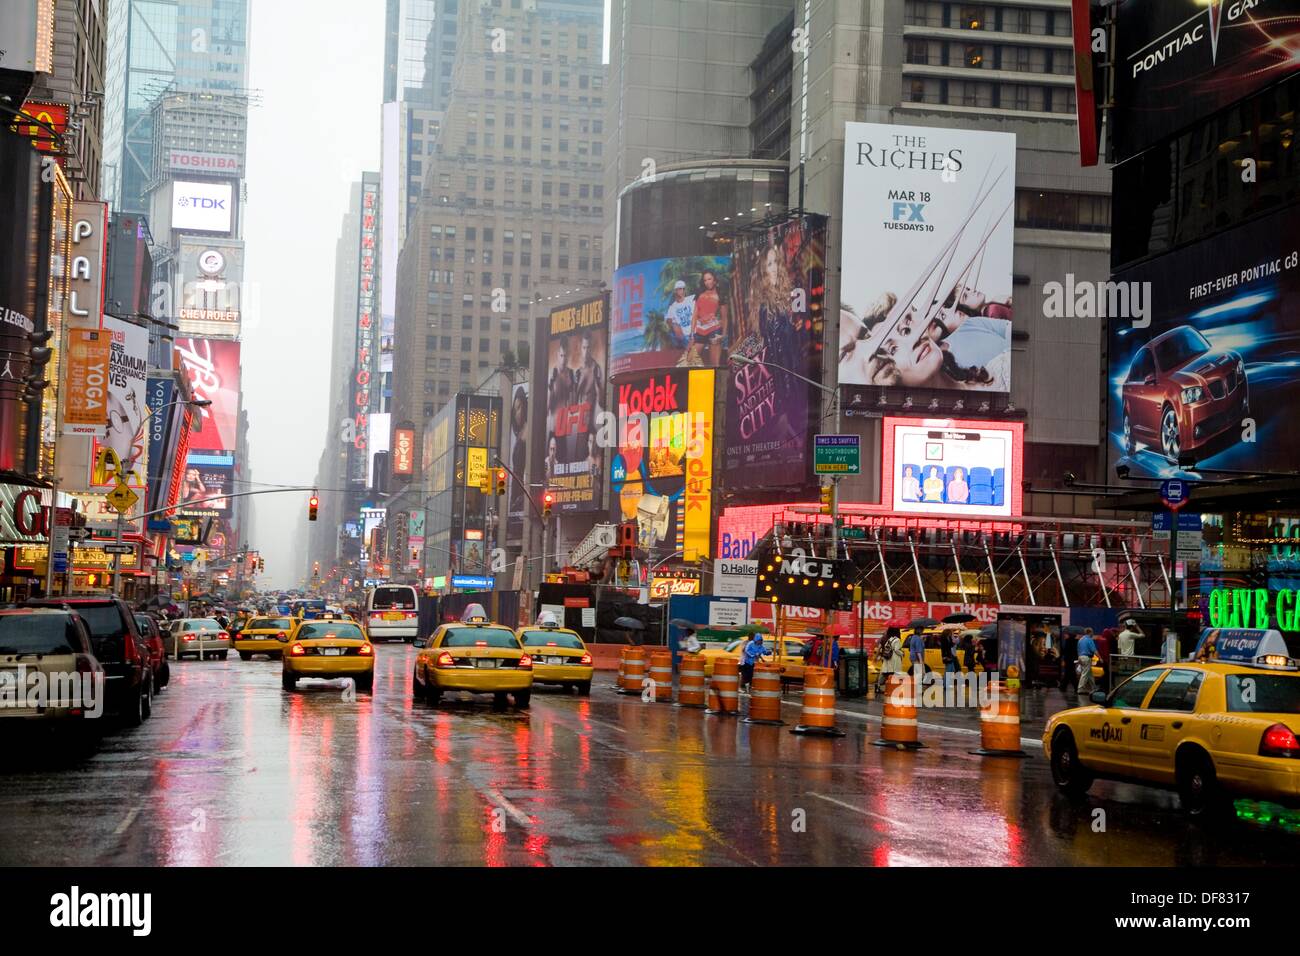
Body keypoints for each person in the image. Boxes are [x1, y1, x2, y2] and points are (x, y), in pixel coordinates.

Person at [691, 268, 727, 367]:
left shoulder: (720, 294)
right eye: (705, 280)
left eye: (709, 279)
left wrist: (723, 336)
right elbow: (694, 315)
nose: (707, 282)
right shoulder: (699, 293)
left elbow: (724, 317)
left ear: (714, 279)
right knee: (691, 360)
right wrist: (691, 334)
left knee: (714, 364)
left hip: (714, 330)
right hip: (700, 330)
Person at [664, 280, 696, 351]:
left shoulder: (692, 299)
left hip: (694, 333)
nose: (681, 291)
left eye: (682, 289)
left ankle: (689, 348)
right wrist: (673, 324)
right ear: (675, 291)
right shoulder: (672, 307)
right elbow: (668, 320)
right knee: (671, 333)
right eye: (679, 289)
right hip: (683, 336)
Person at [876, 627, 904, 693]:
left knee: (885, 673)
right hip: (894, 659)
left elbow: (881, 647)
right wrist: (902, 653)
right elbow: (897, 650)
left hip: (887, 658)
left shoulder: (890, 639)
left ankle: (878, 686)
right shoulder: (897, 640)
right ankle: (895, 689)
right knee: (895, 673)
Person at [1076, 628, 1099, 696]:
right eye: (1092, 632)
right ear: (1090, 632)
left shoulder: (1081, 639)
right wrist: (1100, 658)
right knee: (1085, 673)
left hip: (1080, 657)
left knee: (1089, 673)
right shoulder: (1089, 639)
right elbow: (1094, 650)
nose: (1093, 634)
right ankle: (1080, 689)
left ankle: (1094, 687)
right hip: (1086, 657)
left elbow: (1078, 649)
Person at [1059, 629, 1079, 693]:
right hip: (1073, 659)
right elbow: (1076, 651)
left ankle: (1064, 687)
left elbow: (1065, 651)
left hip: (1068, 659)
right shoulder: (1076, 641)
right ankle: (1065, 687)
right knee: (1070, 673)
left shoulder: (1067, 641)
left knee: (1069, 673)